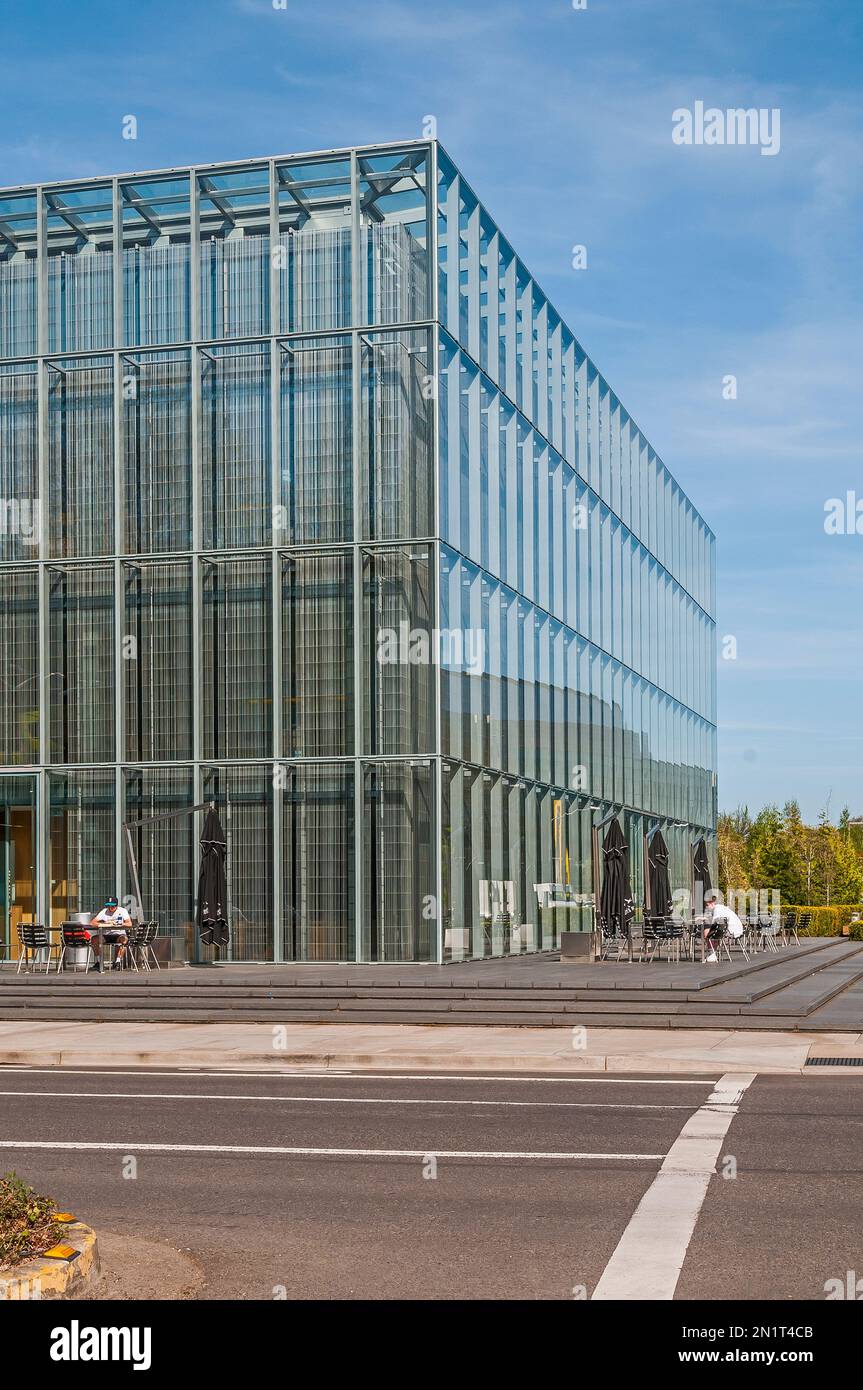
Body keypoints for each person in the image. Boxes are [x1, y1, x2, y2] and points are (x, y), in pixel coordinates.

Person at [90, 895, 133, 970]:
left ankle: (118, 962)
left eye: (112, 906)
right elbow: (92, 923)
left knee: (124, 939)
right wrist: (105, 924)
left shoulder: (122, 911)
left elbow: (129, 924)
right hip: (107, 935)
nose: (110, 908)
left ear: (116, 906)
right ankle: (99, 962)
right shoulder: (104, 911)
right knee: (94, 939)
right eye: (108, 906)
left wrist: (119, 924)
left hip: (119, 934)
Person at [702, 891, 744, 963]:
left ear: (711, 903)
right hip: (736, 930)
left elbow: (714, 922)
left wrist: (704, 919)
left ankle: (712, 954)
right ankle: (713, 953)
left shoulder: (717, 909)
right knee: (713, 932)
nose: (707, 906)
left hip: (731, 931)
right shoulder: (722, 908)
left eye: (707, 904)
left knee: (707, 931)